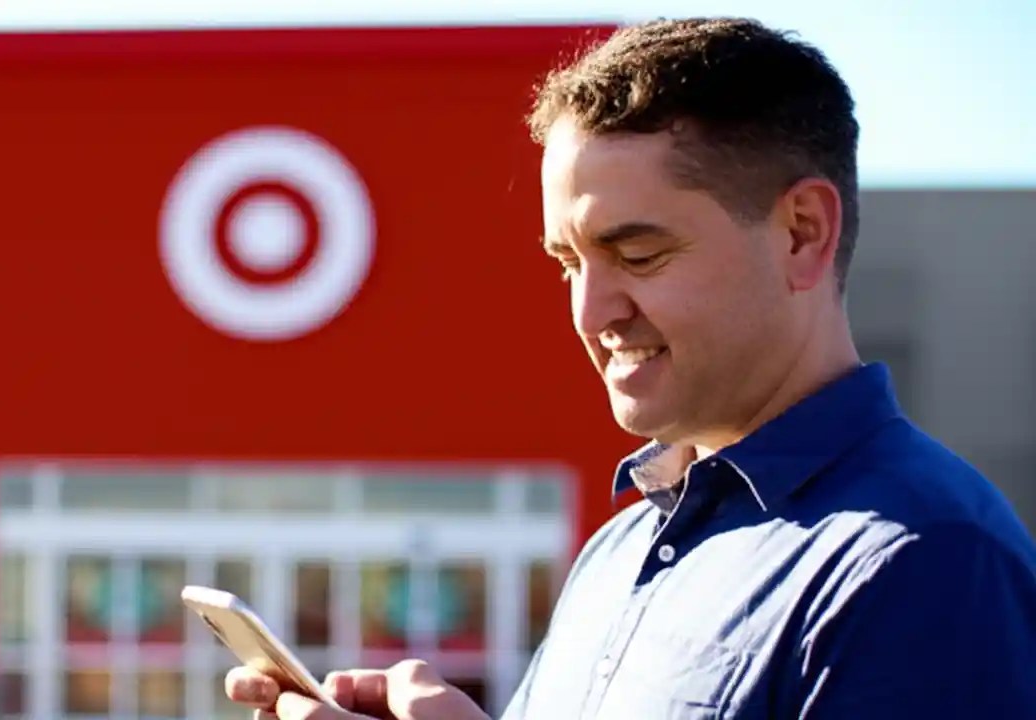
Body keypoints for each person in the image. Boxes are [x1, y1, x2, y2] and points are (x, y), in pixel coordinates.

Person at [225, 17, 1036, 719]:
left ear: (801, 233)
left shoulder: (925, 562)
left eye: (638, 253)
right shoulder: (618, 553)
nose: (589, 313)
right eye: (568, 262)